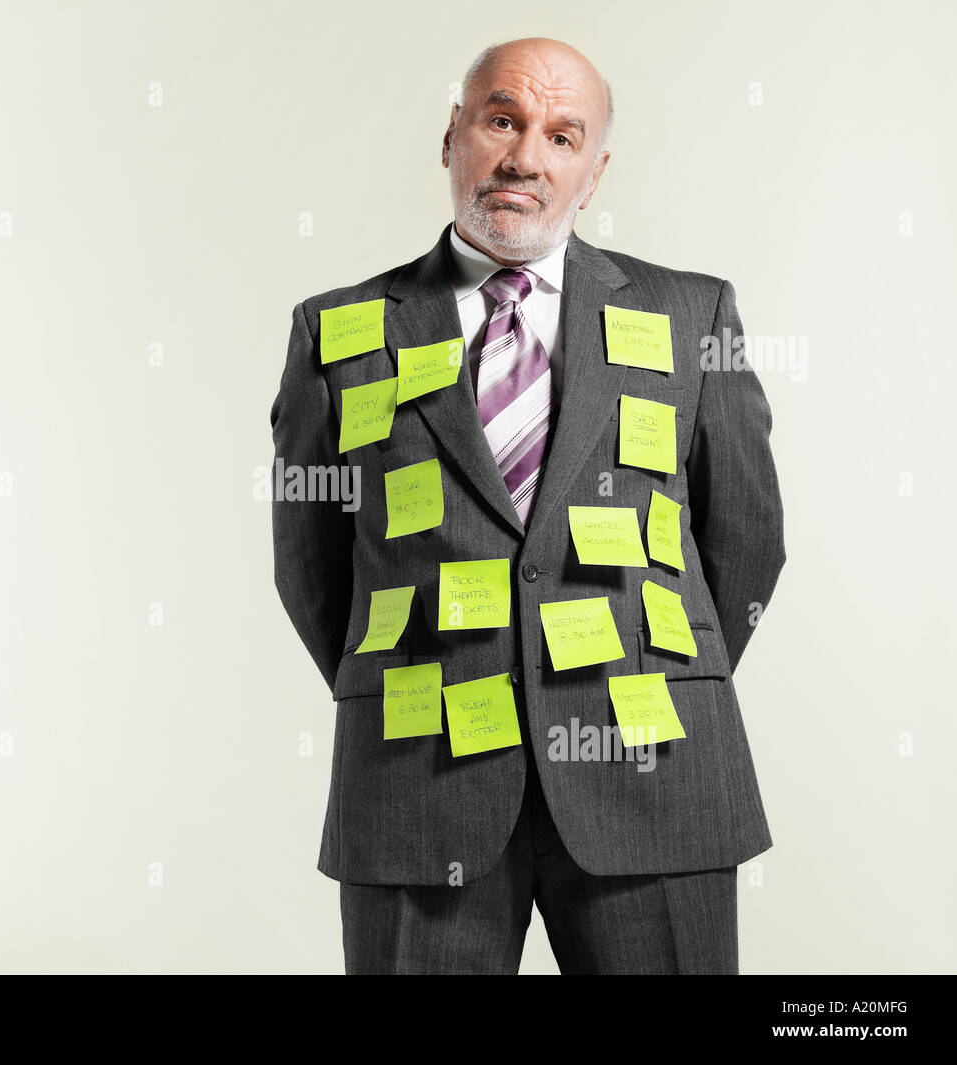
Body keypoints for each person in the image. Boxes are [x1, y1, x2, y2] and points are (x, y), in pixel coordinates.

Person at [270, 36, 785, 975]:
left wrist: (642, 672)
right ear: (453, 136)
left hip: (653, 773)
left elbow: (745, 539)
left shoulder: (690, 314)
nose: (524, 156)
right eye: (502, 119)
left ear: (593, 171)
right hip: (419, 783)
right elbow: (310, 564)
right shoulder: (338, 328)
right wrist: (418, 677)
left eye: (561, 135)